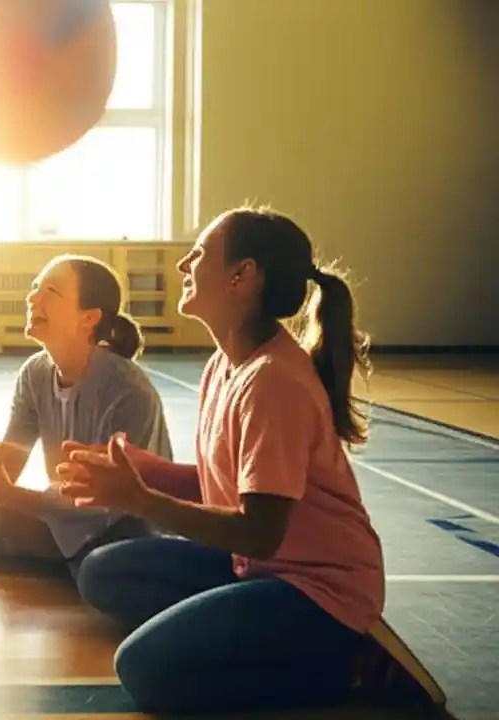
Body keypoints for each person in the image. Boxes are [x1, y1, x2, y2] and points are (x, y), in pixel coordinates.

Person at [59, 206, 388, 714]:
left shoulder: (273, 382)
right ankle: (252, 636)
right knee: (102, 571)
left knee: (145, 671)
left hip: (318, 592)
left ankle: (340, 670)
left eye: (198, 254)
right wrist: (141, 468)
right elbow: (226, 487)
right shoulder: (225, 364)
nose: (183, 264)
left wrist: (139, 500)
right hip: (256, 567)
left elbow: (259, 531)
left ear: (242, 275)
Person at [0, 254, 172, 574]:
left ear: (88, 318)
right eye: (35, 287)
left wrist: (8, 495)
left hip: (118, 524)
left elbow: (106, 504)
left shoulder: (128, 390)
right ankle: (41, 550)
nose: (32, 297)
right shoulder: (34, 373)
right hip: (64, 512)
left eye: (50, 291)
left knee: (101, 564)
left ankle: (25, 549)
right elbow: (11, 458)